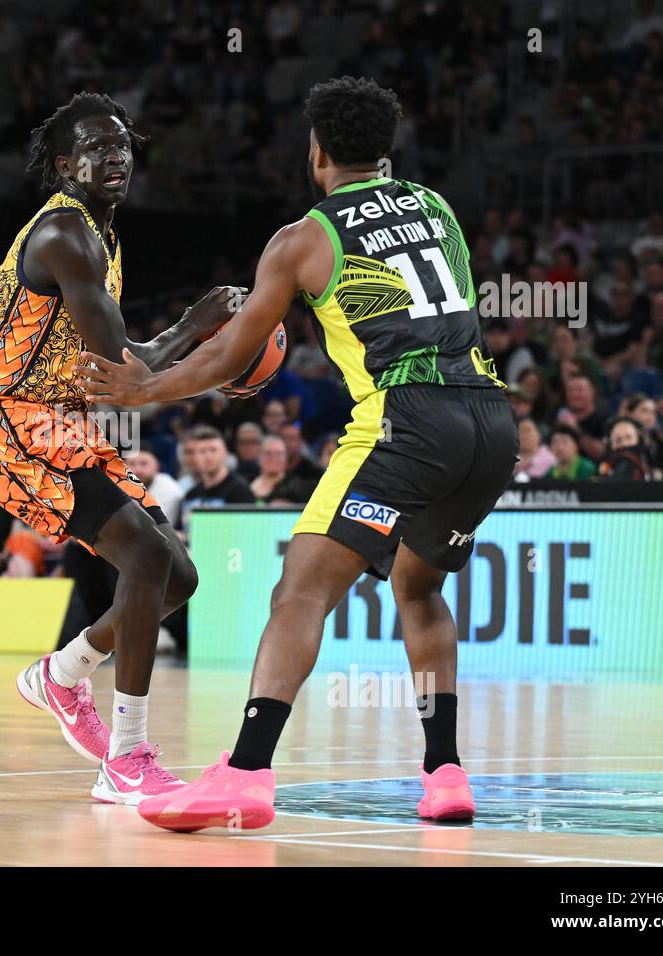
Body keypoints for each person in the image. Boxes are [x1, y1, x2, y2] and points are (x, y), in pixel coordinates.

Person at [78, 77, 519, 830]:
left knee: (301, 591)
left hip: (401, 422)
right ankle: (445, 774)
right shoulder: (437, 208)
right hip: (488, 421)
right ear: (386, 150)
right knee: (417, 590)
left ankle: (245, 773)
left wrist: (143, 389)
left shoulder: (301, 240)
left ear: (315, 151)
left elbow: (227, 360)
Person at [0, 92, 236, 803]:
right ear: (63, 163)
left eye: (124, 146)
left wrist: (198, 353)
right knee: (141, 554)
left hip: (52, 415)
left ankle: (62, 675)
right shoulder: (63, 236)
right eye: (98, 148)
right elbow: (125, 370)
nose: (116, 158)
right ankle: (126, 757)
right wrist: (198, 329)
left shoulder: (104, 238)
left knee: (178, 577)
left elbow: (114, 369)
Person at [179, 425, 256, 529]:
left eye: (213, 450)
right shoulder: (191, 495)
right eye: (202, 451)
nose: (208, 456)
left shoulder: (240, 491)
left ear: (225, 453)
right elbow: (179, 531)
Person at [250, 434, 309, 503]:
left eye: (279, 454)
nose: (273, 458)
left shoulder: (296, 487)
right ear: (259, 457)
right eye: (268, 453)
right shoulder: (247, 483)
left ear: (286, 458)